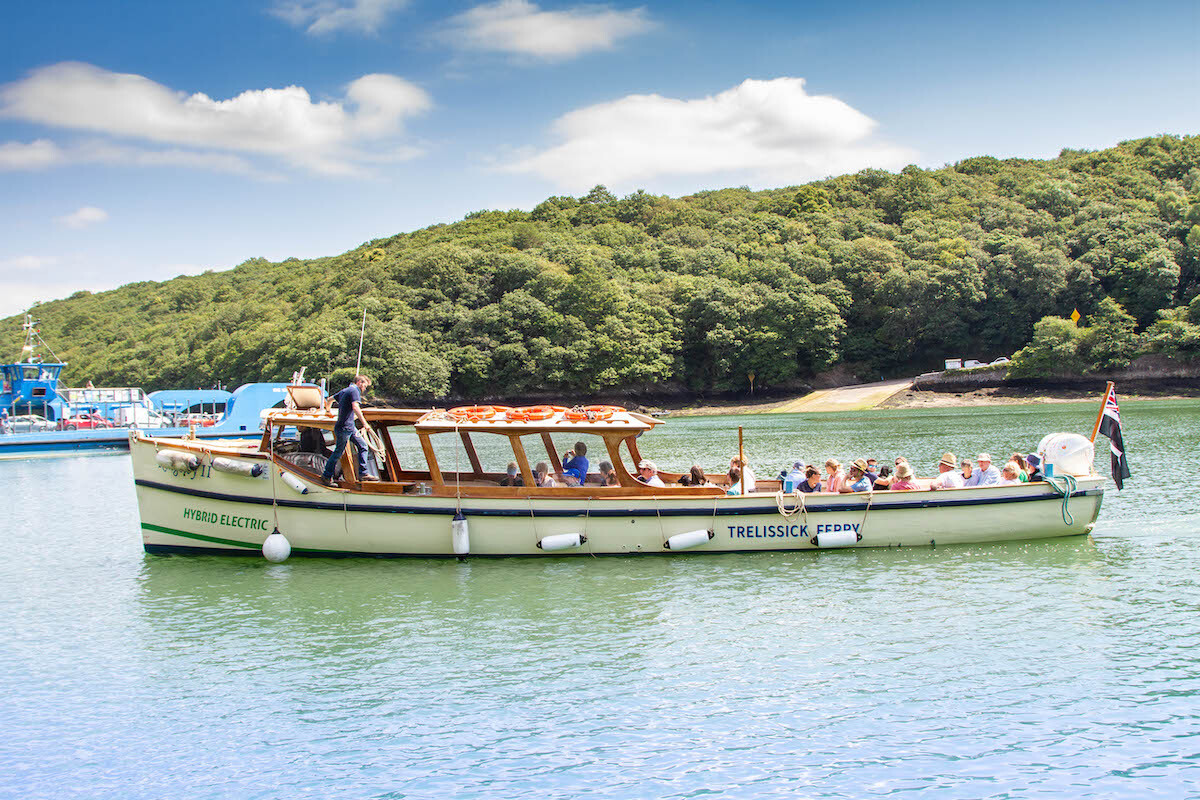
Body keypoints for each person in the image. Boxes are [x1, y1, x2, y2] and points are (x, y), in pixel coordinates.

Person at [321, 375, 377, 486]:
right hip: (345, 427)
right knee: (339, 452)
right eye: (365, 385)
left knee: (363, 446)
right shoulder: (354, 391)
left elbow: (330, 399)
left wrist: (328, 411)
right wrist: (365, 424)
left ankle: (363, 473)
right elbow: (355, 407)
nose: (365, 388)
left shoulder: (345, 390)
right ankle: (326, 476)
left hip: (350, 427)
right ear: (360, 382)